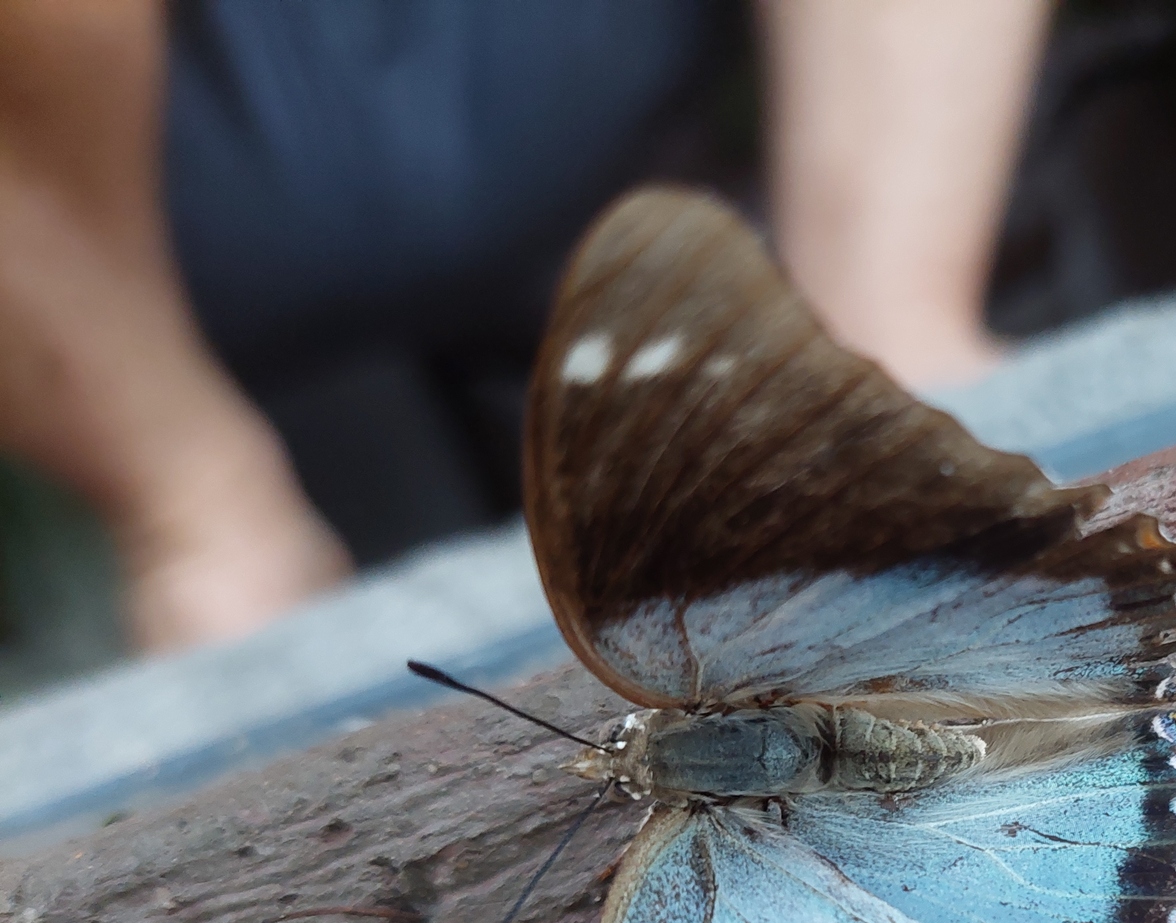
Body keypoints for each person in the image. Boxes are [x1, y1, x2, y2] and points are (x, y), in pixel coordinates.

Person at [0, 0, 1052, 654]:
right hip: (115, 247)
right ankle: (204, 518)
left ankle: (884, 353)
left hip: (640, 151)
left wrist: (888, 357)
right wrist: (198, 515)